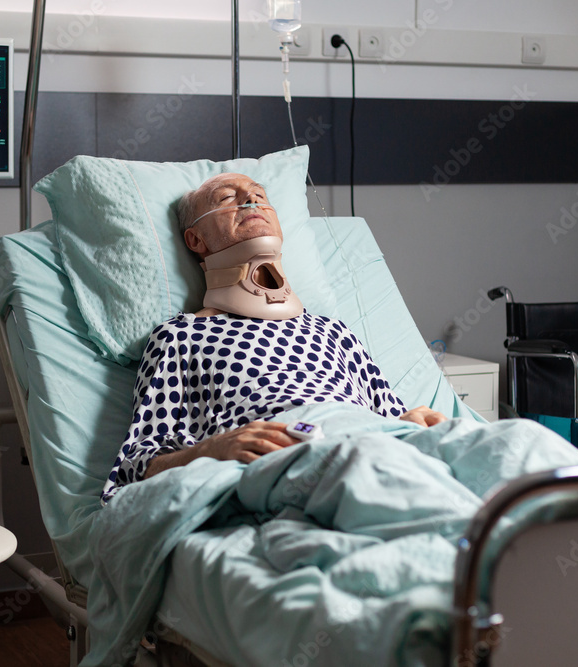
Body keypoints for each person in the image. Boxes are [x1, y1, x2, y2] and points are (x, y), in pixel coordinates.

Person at [101, 173, 448, 503]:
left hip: (373, 444)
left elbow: (397, 420)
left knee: (494, 446)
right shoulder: (182, 335)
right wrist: (212, 449)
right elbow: (134, 466)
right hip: (286, 453)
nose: (250, 200)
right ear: (196, 240)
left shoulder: (334, 331)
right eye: (226, 198)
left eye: (260, 195)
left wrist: (415, 424)